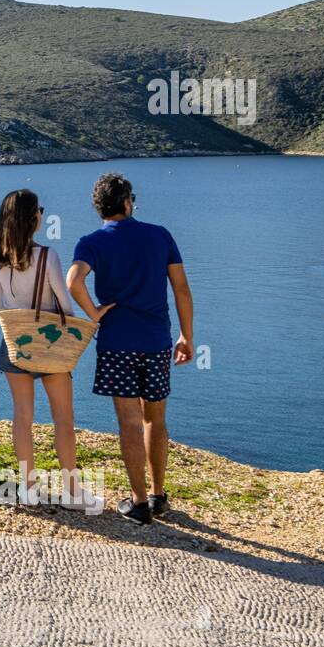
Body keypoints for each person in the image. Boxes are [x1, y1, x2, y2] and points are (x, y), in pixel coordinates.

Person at [66, 173, 194, 525]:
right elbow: (181, 289)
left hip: (116, 343)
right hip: (155, 342)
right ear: (127, 202)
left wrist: (93, 313)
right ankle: (158, 495)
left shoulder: (91, 242)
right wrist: (187, 336)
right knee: (156, 418)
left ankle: (138, 502)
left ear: (100, 208)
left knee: (129, 422)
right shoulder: (160, 235)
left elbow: (73, 282)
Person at [0, 189, 109, 509]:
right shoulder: (47, 256)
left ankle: (27, 489)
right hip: (52, 345)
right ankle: (71, 492)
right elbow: (65, 307)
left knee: (22, 417)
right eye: (39, 210)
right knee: (63, 419)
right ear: (34, 218)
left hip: (15, 345)